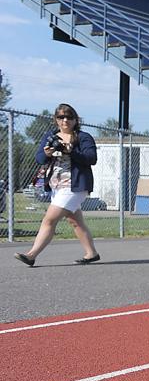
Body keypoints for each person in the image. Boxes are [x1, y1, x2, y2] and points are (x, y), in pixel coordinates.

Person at [14, 103, 99, 267]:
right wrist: (47, 153)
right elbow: (39, 158)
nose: (65, 120)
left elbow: (91, 158)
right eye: (61, 117)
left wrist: (70, 150)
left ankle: (31, 255)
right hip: (56, 186)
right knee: (75, 221)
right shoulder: (50, 136)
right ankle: (92, 253)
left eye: (69, 117)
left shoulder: (83, 137)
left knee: (49, 220)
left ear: (75, 120)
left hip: (75, 186)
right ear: (56, 119)